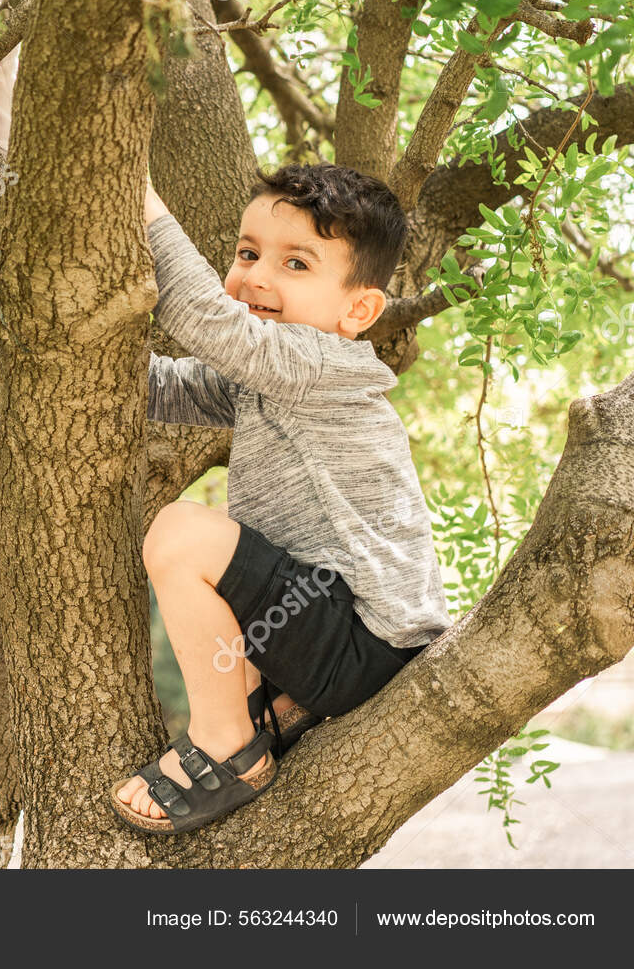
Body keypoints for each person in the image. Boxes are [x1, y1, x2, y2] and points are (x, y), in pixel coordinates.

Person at [110, 165, 452, 835]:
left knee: (180, 535)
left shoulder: (316, 362)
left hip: (366, 635)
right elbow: (161, 388)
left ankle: (225, 745)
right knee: (198, 545)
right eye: (247, 253)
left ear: (357, 310)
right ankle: (266, 707)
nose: (256, 276)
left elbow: (202, 319)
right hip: (330, 624)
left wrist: (140, 197)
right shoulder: (269, 376)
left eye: (295, 262)